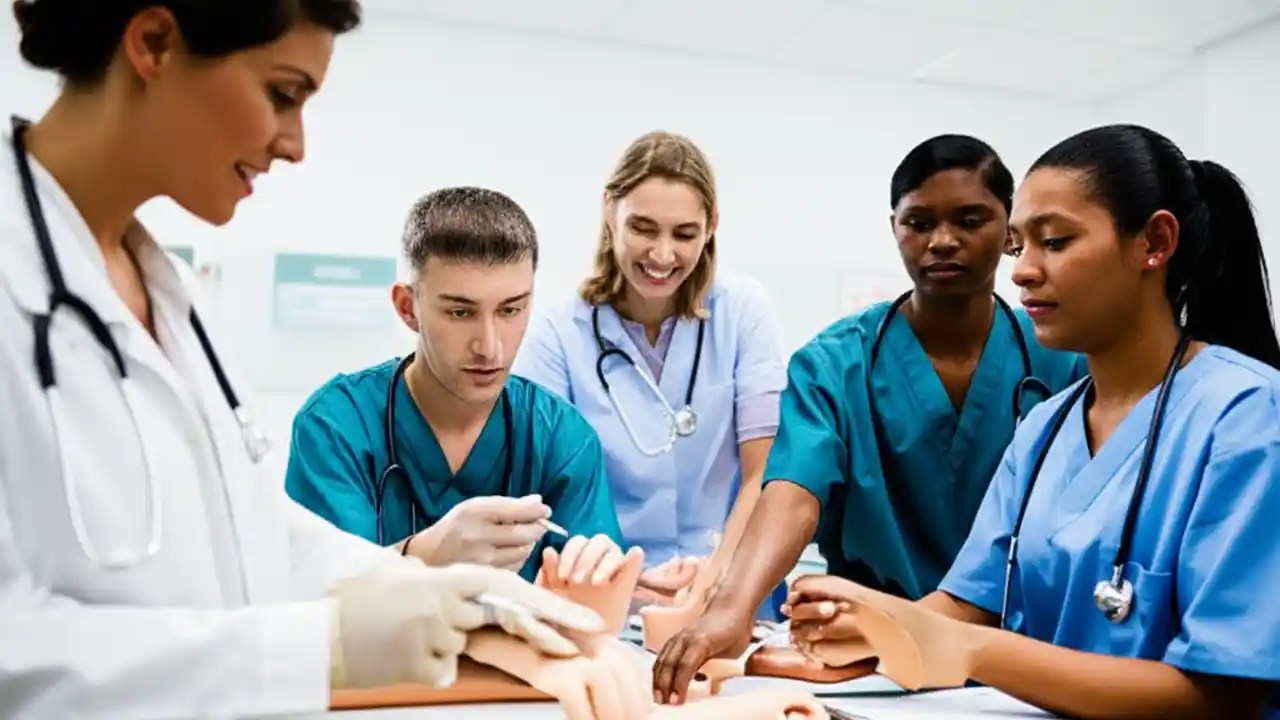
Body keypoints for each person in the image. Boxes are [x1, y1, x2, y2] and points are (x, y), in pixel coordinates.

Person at [0, 3, 603, 718]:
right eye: (283, 94)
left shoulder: (171, 302)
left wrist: (436, 592)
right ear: (155, 44)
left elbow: (256, 537)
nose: (296, 144)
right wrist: (324, 645)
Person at [788, 124, 1280, 719]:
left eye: (1056, 241)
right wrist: (869, 624)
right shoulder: (1044, 429)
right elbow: (969, 603)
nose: (1019, 271)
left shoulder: (1247, 417)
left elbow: (1224, 692)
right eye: (1020, 246)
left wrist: (971, 650)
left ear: (1154, 241)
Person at [652, 134, 1087, 703]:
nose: (943, 241)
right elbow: (791, 489)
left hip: (1019, 668)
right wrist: (730, 611)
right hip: (864, 661)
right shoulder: (836, 363)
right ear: (895, 228)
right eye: (919, 222)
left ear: (1010, 232)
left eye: (970, 219)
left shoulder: (1066, 360)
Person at [285, 186, 627, 583]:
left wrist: (600, 582)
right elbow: (316, 599)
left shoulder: (559, 438)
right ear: (407, 308)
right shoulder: (336, 427)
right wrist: (422, 557)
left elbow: (594, 611)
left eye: (511, 310)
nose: (490, 346)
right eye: (461, 312)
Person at [512, 130, 787, 606]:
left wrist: (717, 581)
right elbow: (545, 496)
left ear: (712, 225)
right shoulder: (558, 334)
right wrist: (630, 582)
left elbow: (761, 475)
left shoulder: (743, 312)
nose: (663, 255)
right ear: (608, 211)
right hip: (608, 596)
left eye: (685, 234)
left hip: (730, 592)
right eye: (643, 228)